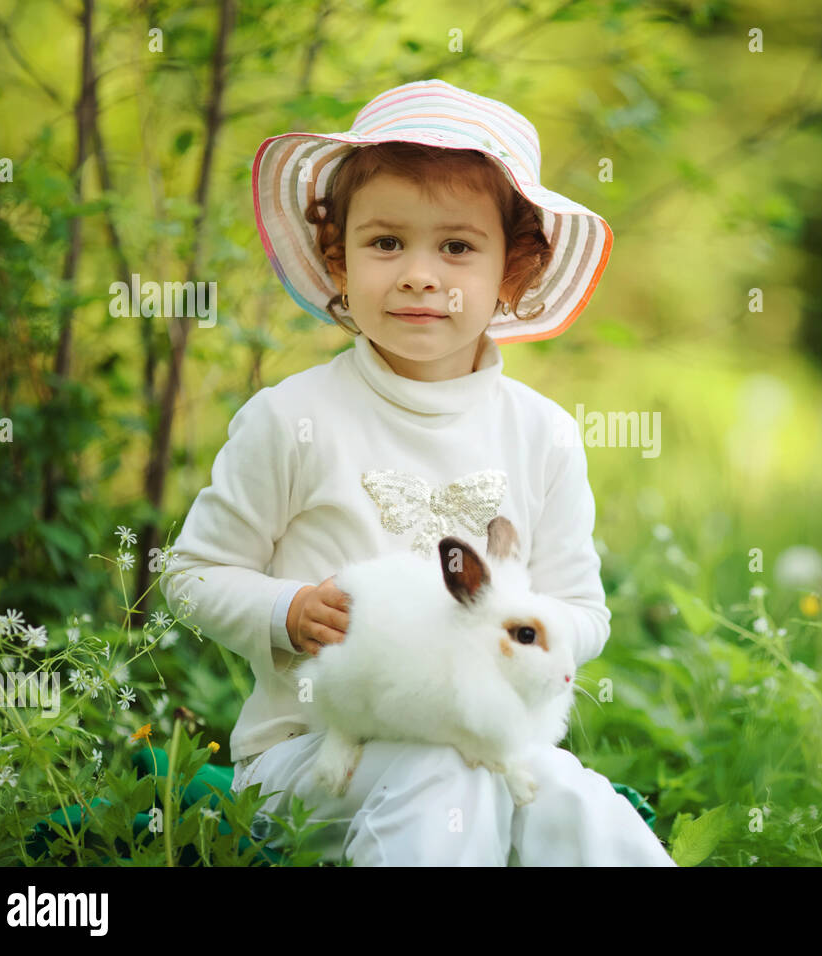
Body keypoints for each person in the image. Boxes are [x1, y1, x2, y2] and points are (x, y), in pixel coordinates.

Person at [160, 78, 675, 866]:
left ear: (516, 269)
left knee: (571, 797)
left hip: (484, 731)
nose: (420, 275)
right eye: (386, 243)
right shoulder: (292, 419)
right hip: (318, 752)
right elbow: (191, 574)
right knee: (443, 778)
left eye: (458, 247)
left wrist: (529, 631)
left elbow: (581, 609)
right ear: (338, 257)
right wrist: (284, 610)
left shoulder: (541, 434)